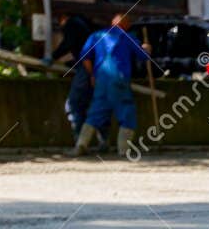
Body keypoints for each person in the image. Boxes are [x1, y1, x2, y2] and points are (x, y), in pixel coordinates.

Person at [73, 12, 146, 158]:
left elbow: (85, 58)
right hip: (118, 77)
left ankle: (81, 144)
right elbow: (143, 56)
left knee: (95, 112)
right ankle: (123, 149)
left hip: (101, 78)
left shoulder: (96, 35)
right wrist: (147, 48)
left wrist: (92, 75)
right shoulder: (128, 37)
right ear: (126, 25)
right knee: (126, 111)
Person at [51, 11, 95, 144]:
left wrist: (53, 57)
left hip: (87, 66)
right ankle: (97, 141)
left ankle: (80, 141)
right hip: (92, 66)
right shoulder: (84, 24)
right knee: (90, 104)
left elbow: (69, 43)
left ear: (63, 18)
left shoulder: (71, 24)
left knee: (73, 104)